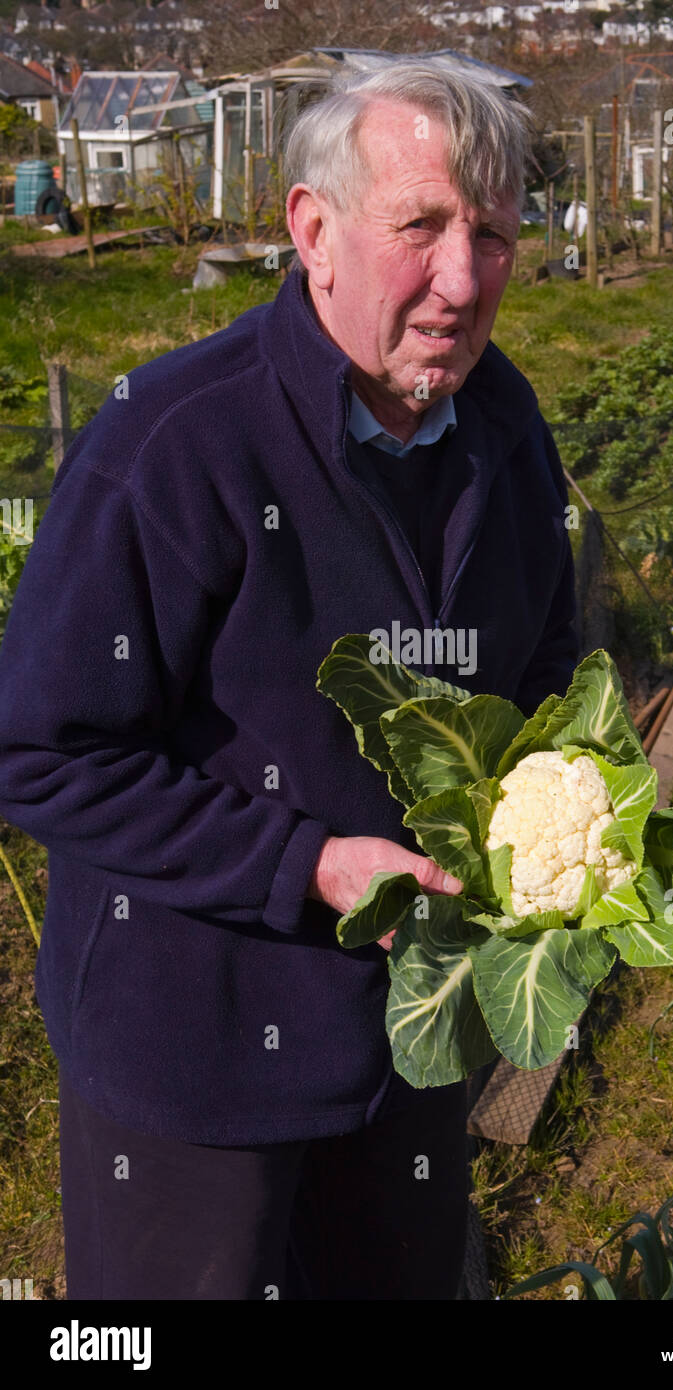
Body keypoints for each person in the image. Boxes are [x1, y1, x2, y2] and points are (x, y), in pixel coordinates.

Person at [0, 60, 580, 1300]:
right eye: (421, 225)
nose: (465, 281)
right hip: (194, 1059)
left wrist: (560, 811)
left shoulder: (505, 430)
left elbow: (547, 668)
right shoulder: (170, 449)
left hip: (414, 1042)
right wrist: (307, 865)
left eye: (493, 234)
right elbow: (38, 748)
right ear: (313, 231)